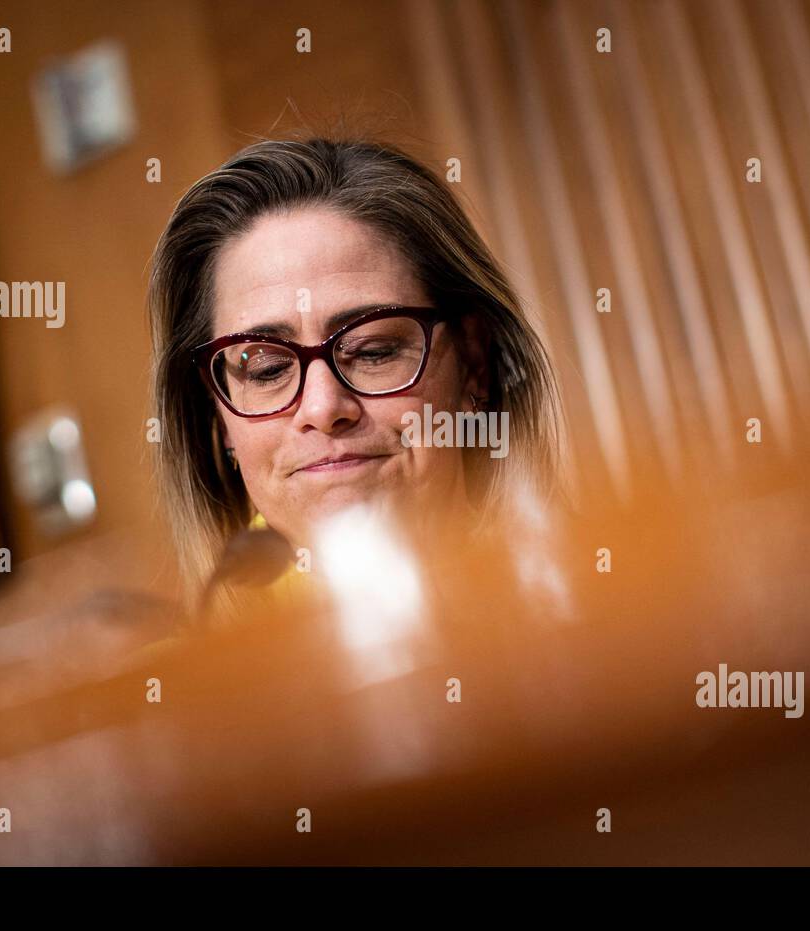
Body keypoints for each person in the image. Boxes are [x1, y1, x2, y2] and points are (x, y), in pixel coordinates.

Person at [148, 135, 567, 620]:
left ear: (472, 360)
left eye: (373, 350)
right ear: (219, 416)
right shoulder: (196, 687)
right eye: (267, 370)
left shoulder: (630, 618)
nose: (323, 408)